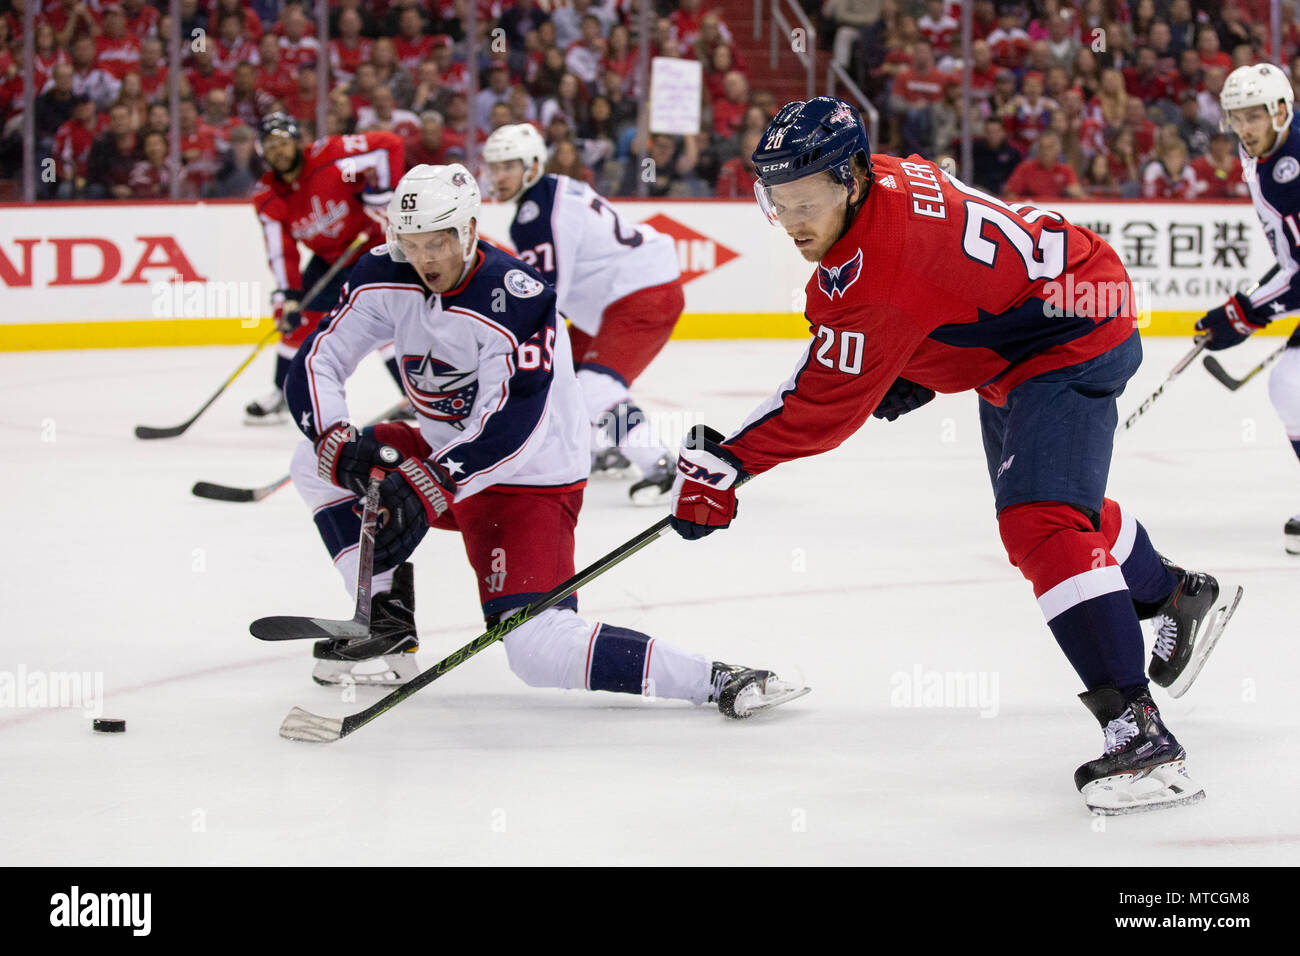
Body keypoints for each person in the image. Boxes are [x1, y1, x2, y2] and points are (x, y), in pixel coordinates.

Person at [666, 97, 1244, 814]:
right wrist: (914, 360)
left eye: (806, 199)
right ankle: (1170, 594)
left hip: (1067, 332)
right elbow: (944, 282)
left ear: (849, 179)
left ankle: (1143, 738)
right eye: (777, 201)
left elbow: (824, 403)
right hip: (1034, 326)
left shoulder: (878, 269)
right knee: (1058, 505)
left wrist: (731, 465)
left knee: (1042, 520)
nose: (792, 220)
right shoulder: (881, 183)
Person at [279, 163, 805, 718]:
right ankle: (383, 617)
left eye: (437, 242)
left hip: (529, 481)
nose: (425, 259)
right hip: (444, 465)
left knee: (538, 650)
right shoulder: (384, 274)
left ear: (467, 230)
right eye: (411, 244)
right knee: (314, 460)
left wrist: (432, 482)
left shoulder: (517, 296)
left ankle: (715, 679)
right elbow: (320, 358)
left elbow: (513, 421)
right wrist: (335, 435)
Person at [484, 123, 685, 504]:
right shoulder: (553, 190)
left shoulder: (536, 213)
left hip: (639, 294)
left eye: (508, 166)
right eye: (494, 167)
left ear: (531, 166)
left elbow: (543, 300)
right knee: (564, 374)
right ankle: (597, 448)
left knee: (595, 386)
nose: (499, 176)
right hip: (625, 294)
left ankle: (659, 463)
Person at [1193, 64, 1300, 554]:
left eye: (1254, 115)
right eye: (1236, 118)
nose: (1244, 127)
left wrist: (1240, 314)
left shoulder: (1292, 166)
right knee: (1291, 386)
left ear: (1281, 110)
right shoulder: (1260, 148)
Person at [247, 112, 406, 423]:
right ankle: (281, 391)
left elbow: (389, 144)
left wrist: (385, 195)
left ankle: (413, 393)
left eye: (282, 141)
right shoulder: (268, 195)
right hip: (329, 260)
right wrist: (289, 293)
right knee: (297, 318)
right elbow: (282, 251)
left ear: (296, 140)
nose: (278, 150)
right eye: (270, 145)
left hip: (370, 248)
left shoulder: (329, 154)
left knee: (381, 320)